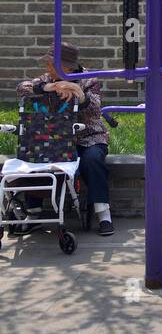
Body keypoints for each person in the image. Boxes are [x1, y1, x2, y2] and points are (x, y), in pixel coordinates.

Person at [17, 42, 114, 235]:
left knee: (92, 160)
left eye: (52, 64)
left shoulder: (89, 80)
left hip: (88, 137)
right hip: (56, 138)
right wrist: (48, 87)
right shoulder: (47, 79)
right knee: (35, 156)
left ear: (66, 67)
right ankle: (34, 213)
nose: (48, 67)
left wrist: (79, 94)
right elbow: (22, 88)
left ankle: (103, 213)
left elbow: (95, 108)